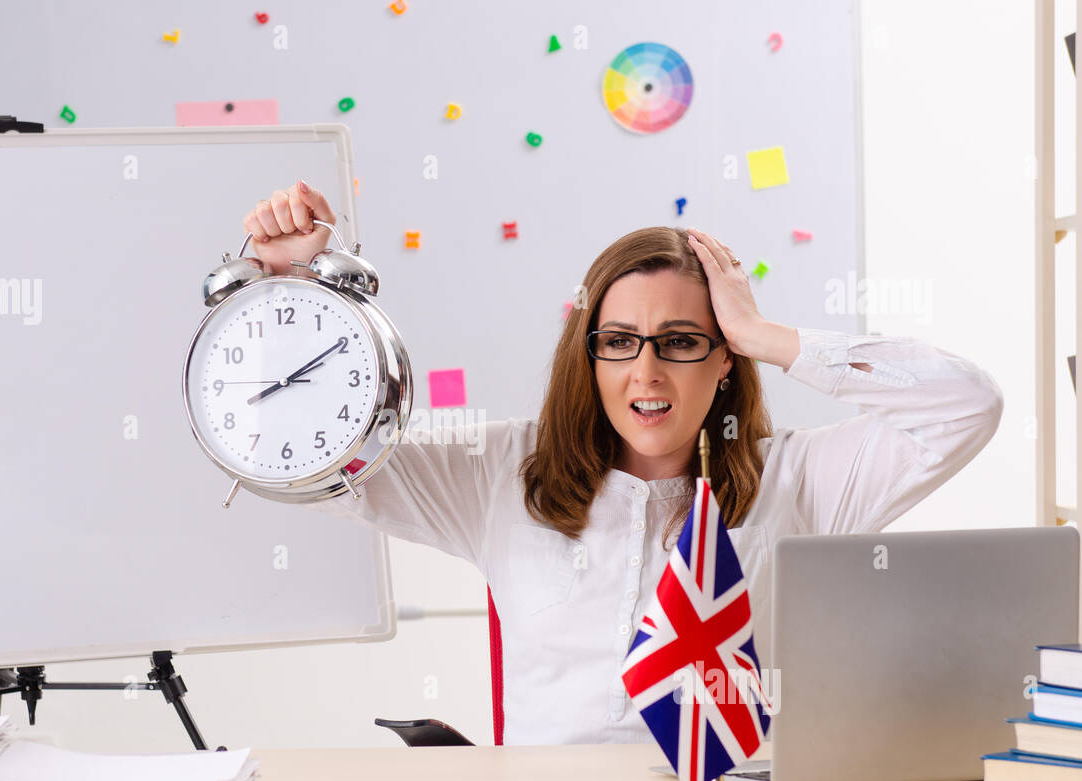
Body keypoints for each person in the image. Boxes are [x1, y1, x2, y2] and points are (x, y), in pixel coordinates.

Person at [242, 181, 1005, 746]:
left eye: (680, 340)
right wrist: (296, 294)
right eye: (618, 342)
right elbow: (314, 472)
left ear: (725, 361)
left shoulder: (795, 481)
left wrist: (765, 331)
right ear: (591, 355)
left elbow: (967, 405)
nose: (646, 373)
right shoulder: (499, 470)